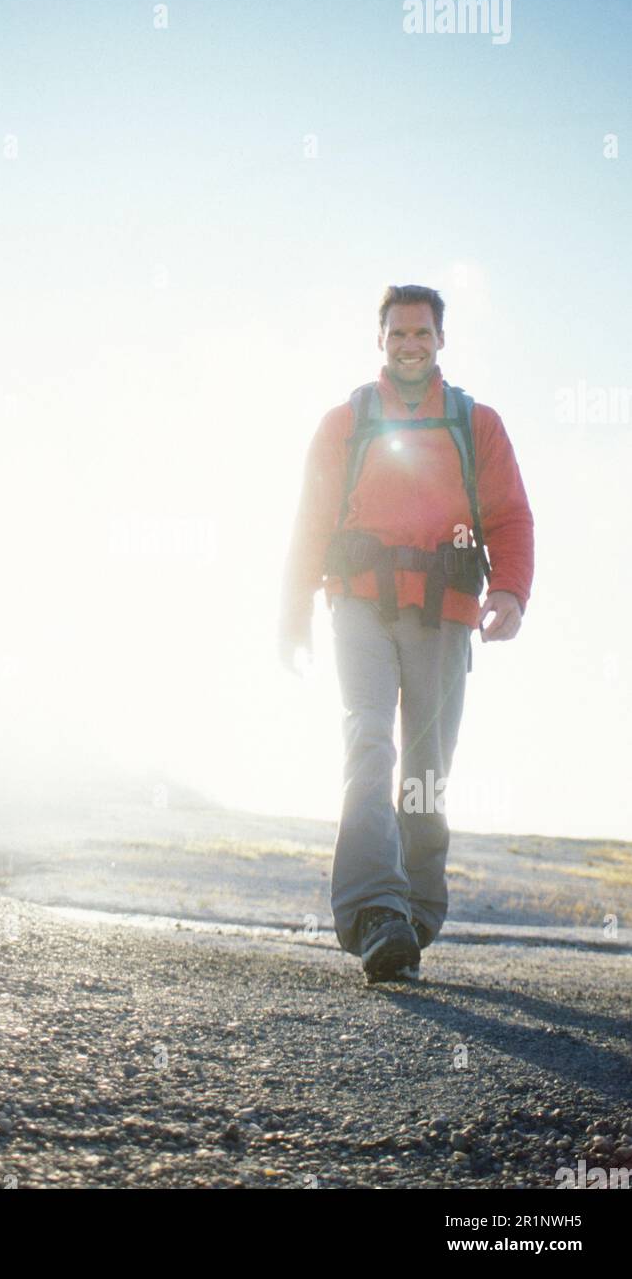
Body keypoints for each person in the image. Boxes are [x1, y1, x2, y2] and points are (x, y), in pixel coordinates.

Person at [277, 285, 534, 984]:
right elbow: (311, 520)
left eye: (421, 333)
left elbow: (509, 514)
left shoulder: (475, 423)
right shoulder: (346, 421)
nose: (409, 345)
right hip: (358, 607)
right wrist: (292, 613)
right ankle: (372, 913)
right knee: (368, 742)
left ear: (439, 340)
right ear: (380, 340)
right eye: (397, 334)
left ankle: (415, 910)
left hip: (444, 612)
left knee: (426, 770)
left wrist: (509, 589)